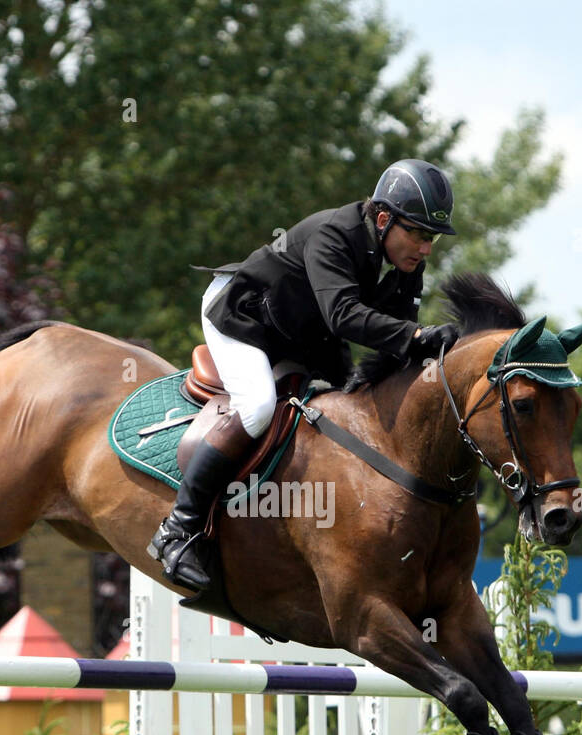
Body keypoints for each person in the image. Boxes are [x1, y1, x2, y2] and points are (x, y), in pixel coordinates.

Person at [149, 159, 462, 591]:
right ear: (385, 219)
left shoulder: (405, 261)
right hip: (242, 316)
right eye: (420, 234)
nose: (427, 248)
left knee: (347, 411)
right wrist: (420, 334)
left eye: (432, 239)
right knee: (257, 408)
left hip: (302, 332)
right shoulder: (335, 234)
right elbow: (345, 315)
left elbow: (396, 338)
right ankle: (177, 530)